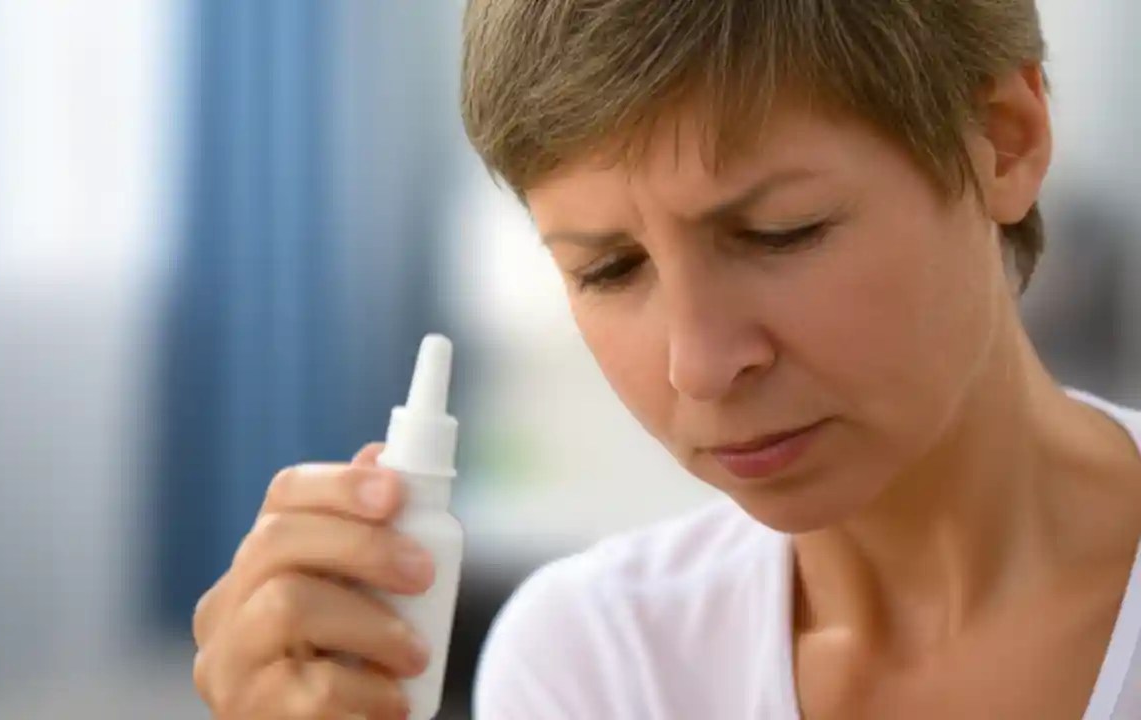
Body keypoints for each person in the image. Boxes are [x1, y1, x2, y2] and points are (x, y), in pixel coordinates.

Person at [191, 0, 1141, 717]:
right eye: (610, 269)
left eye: (780, 233)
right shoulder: (593, 663)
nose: (697, 365)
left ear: (1004, 142)